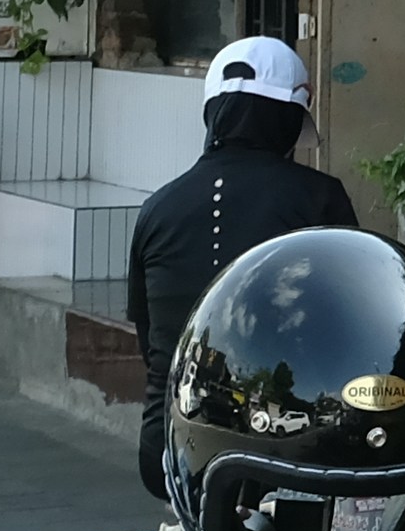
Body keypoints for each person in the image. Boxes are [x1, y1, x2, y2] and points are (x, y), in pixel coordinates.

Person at [123, 32, 367, 502]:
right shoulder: (319, 198)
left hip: (170, 448)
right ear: (288, 116)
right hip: (286, 445)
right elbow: (347, 330)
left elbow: (151, 342)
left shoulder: (157, 209)